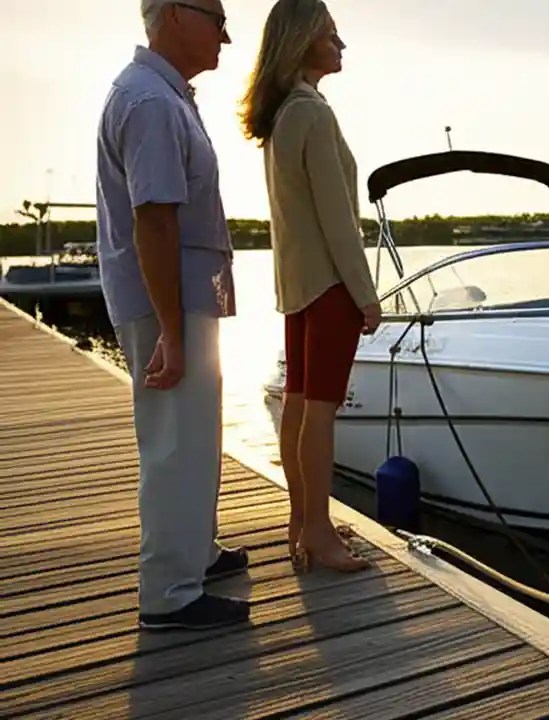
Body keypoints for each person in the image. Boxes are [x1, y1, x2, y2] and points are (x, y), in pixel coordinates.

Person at [96, 0, 249, 630]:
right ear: (178, 15)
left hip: (183, 300)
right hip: (168, 304)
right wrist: (171, 332)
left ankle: (195, 552)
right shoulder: (151, 103)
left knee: (194, 437)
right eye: (218, 19)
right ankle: (169, 592)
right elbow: (154, 220)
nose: (226, 36)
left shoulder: (165, 95)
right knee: (173, 443)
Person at [241, 0, 380, 572]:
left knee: (298, 406)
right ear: (303, 41)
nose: (341, 45)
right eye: (331, 35)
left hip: (297, 287)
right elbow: (336, 221)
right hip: (329, 288)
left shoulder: (282, 116)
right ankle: (318, 534)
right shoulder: (313, 115)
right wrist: (365, 294)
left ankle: (302, 521)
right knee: (319, 411)